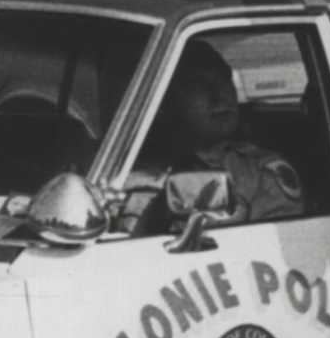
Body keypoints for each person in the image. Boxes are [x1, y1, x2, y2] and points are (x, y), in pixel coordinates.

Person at [125, 39, 305, 230]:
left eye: (225, 82)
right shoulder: (129, 170)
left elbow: (280, 245)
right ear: (166, 99)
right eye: (199, 84)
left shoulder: (259, 173)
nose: (220, 95)